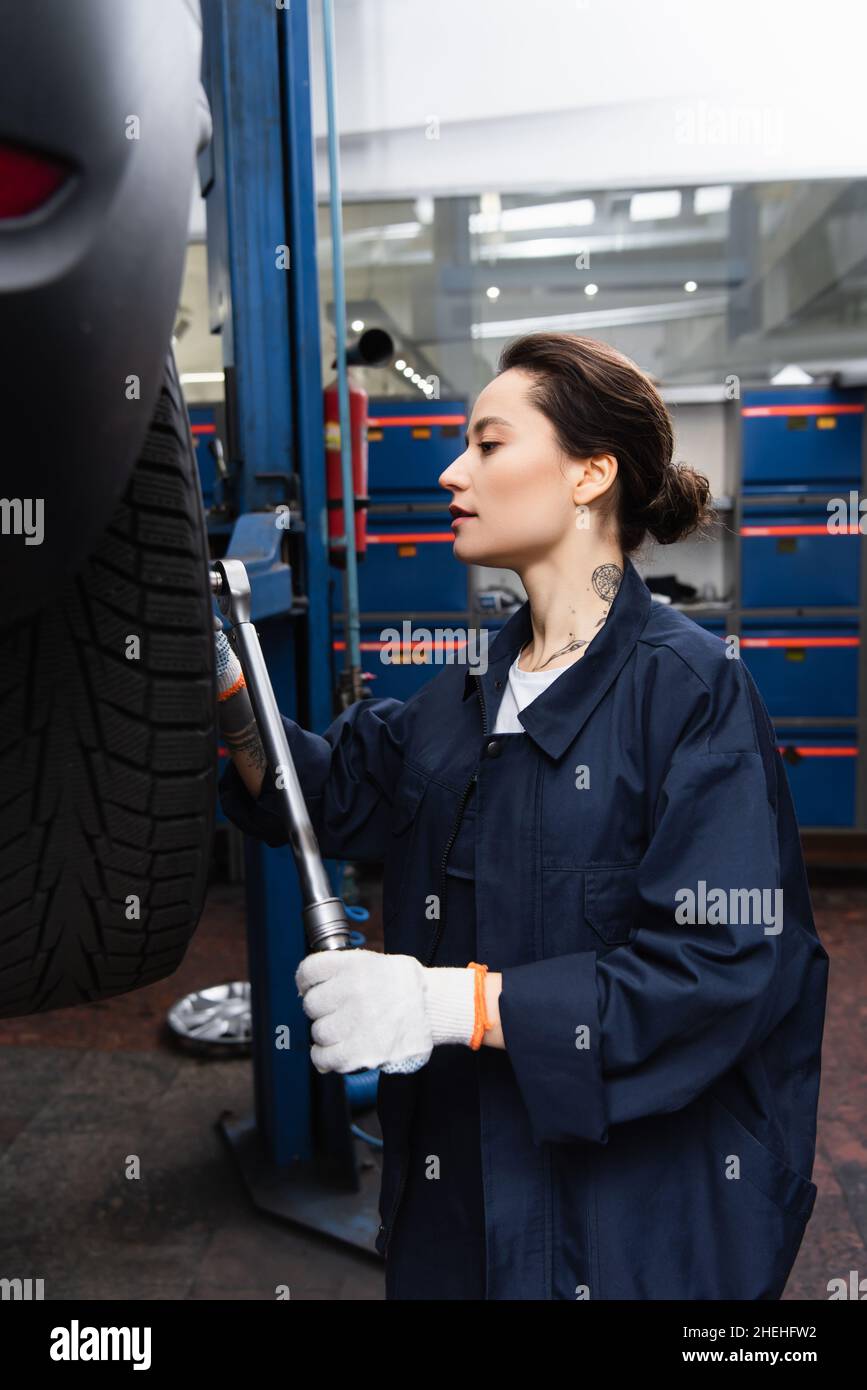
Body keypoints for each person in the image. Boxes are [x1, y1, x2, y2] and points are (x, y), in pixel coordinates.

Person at [216, 332, 829, 1301]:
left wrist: (446, 1002)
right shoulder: (462, 700)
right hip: (454, 1216)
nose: (453, 468)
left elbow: (718, 968)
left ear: (591, 473)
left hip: (620, 1237)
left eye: (489, 443)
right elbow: (327, 793)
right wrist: (223, 686)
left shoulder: (690, 695)